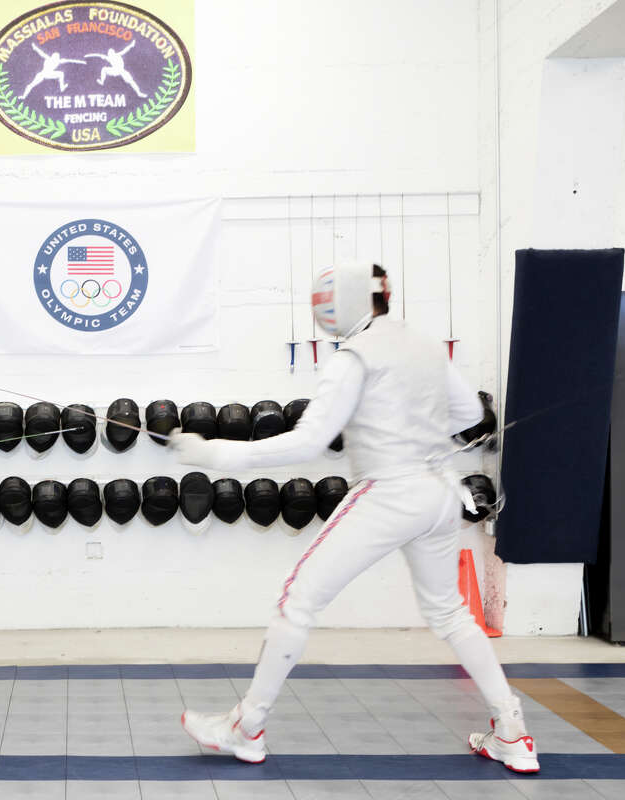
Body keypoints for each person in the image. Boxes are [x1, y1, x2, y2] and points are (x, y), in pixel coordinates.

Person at [169, 263, 539, 773]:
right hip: (439, 494)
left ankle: (246, 727)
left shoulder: (355, 356)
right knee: (451, 615)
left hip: (389, 491)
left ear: (343, 302)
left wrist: (213, 454)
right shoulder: (426, 345)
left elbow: (308, 441)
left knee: (297, 600)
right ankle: (512, 733)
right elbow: (467, 416)